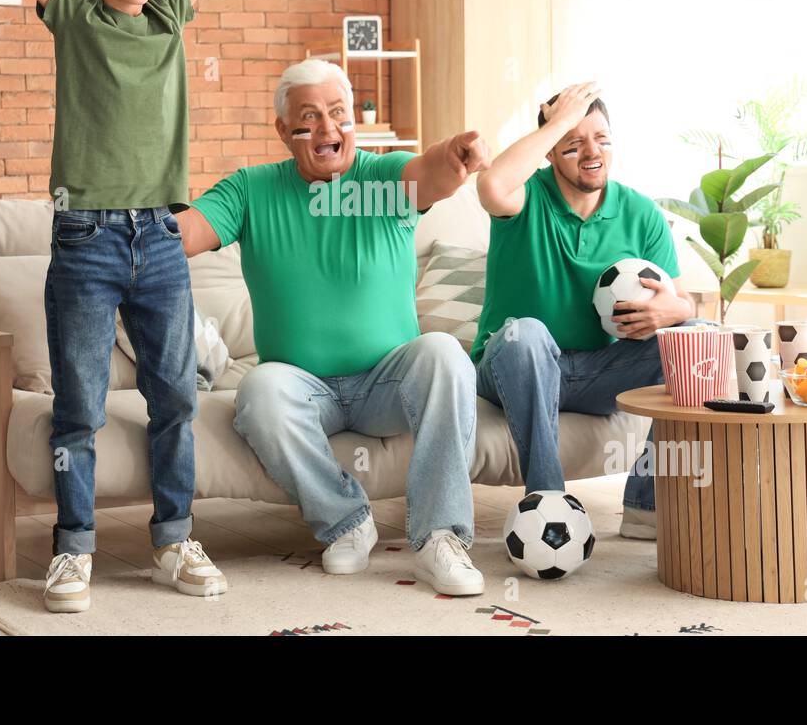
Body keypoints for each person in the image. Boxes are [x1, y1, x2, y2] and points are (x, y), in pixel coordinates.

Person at [0, 0, 240, 612]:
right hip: (87, 240)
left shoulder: (170, 14)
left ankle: (174, 538)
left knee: (175, 398)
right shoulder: (70, 14)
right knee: (80, 407)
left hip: (161, 239)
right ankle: (74, 551)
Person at [177, 59, 491, 595]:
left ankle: (441, 538)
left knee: (442, 352)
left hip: (388, 382)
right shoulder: (252, 190)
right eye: (310, 117)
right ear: (283, 130)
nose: (328, 129)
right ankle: (346, 521)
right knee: (259, 388)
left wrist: (453, 156)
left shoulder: (384, 180)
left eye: (339, 114)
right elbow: (181, 235)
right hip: (304, 389)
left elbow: (429, 174)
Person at [473, 82, 701, 542]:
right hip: (516, 366)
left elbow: (682, 302)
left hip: (598, 372)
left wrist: (672, 311)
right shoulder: (525, 199)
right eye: (572, 145)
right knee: (527, 334)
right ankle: (548, 503)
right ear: (551, 155)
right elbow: (492, 183)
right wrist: (557, 121)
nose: (591, 152)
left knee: (694, 334)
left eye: (601, 138)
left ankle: (646, 506)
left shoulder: (641, 213)